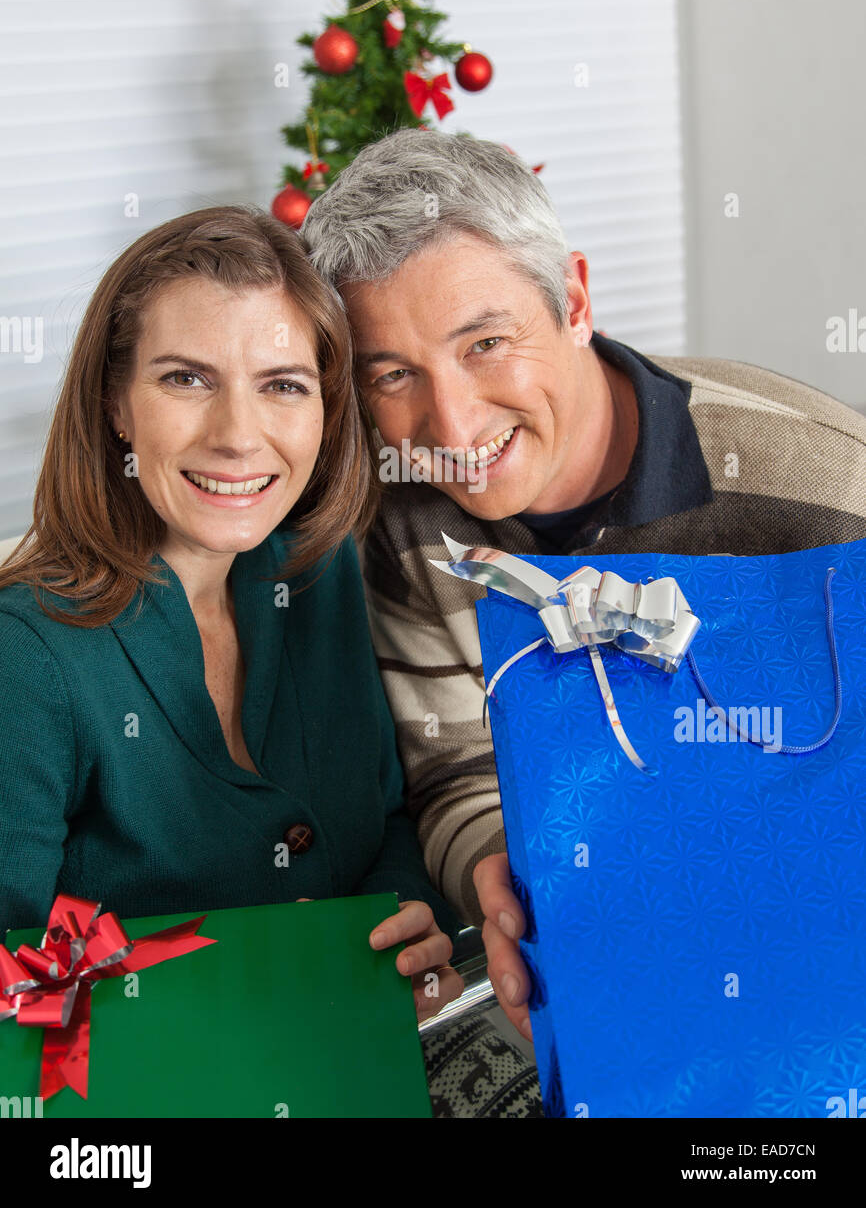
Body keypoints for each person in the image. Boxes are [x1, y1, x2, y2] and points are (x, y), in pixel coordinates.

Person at [300, 127, 866, 1046]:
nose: (451, 421)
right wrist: (497, 863)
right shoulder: (397, 517)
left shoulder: (828, 485)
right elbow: (454, 773)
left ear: (574, 300)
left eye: (485, 342)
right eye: (395, 374)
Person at [0, 205, 462, 1029]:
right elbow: (13, 977)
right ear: (116, 407)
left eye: (282, 386)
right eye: (186, 379)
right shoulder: (27, 656)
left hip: (358, 1045)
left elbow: (384, 821)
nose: (238, 436)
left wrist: (407, 922)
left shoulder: (321, 575)